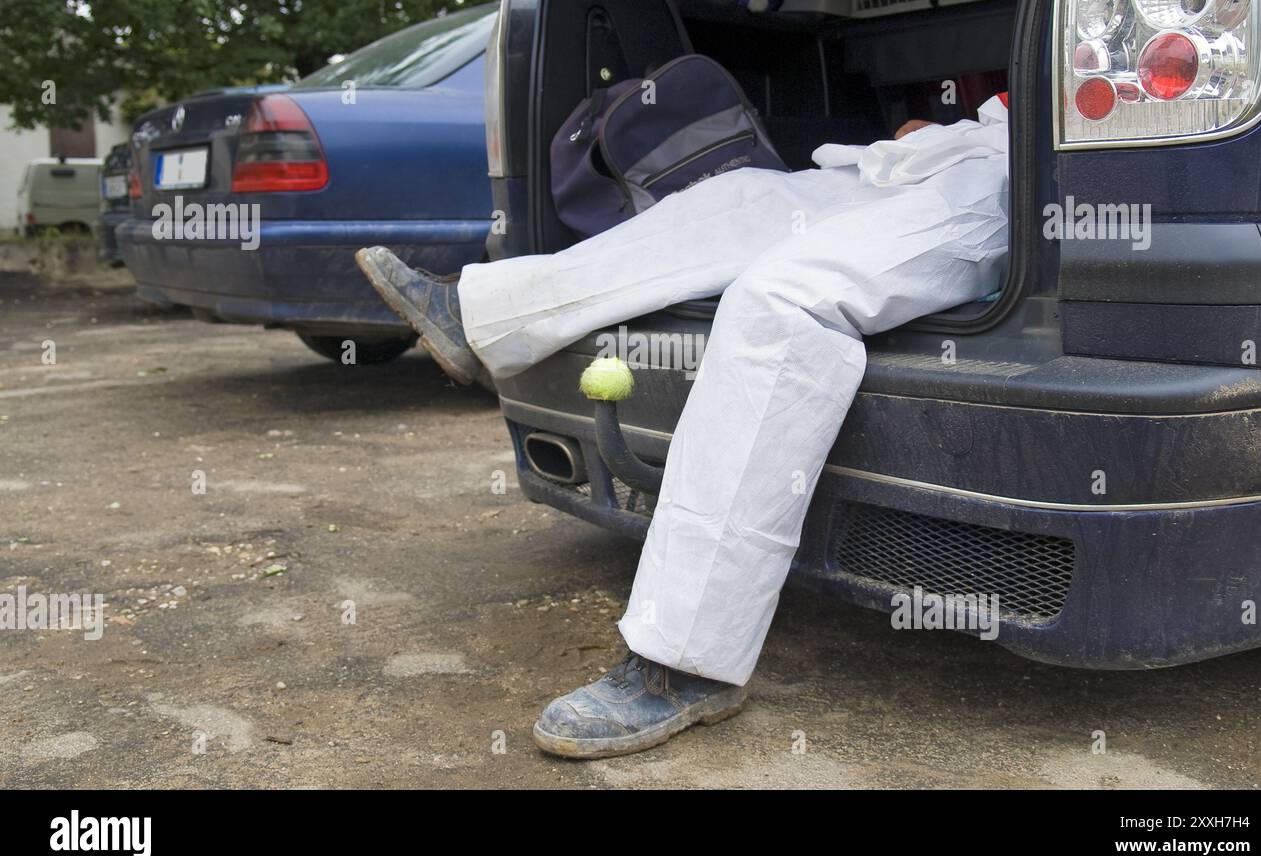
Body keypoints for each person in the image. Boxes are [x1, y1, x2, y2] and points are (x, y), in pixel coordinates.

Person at [355, 95, 1011, 759]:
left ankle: (689, 657)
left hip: (1017, 171)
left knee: (778, 301)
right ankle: (484, 316)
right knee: (740, 198)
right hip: (942, 150)